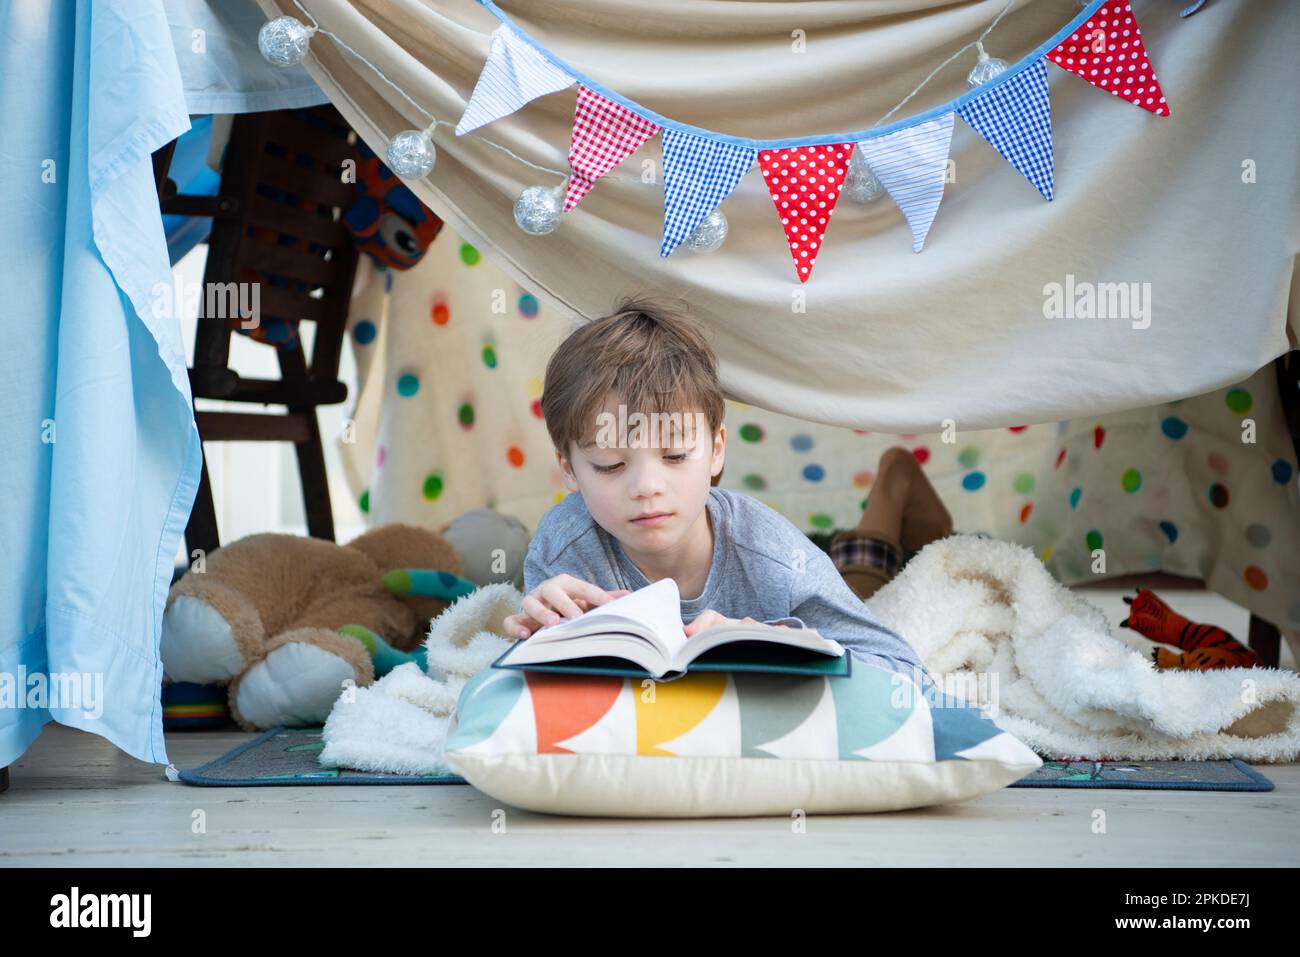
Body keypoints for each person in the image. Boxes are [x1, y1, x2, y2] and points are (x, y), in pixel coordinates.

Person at [503, 296, 932, 682]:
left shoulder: (774, 555)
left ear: (716, 450)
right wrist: (538, 637)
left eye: (674, 457)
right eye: (609, 465)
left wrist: (776, 643)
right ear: (570, 471)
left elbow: (908, 675)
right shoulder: (566, 549)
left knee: (864, 578)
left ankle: (894, 485)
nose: (647, 487)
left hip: (828, 575)